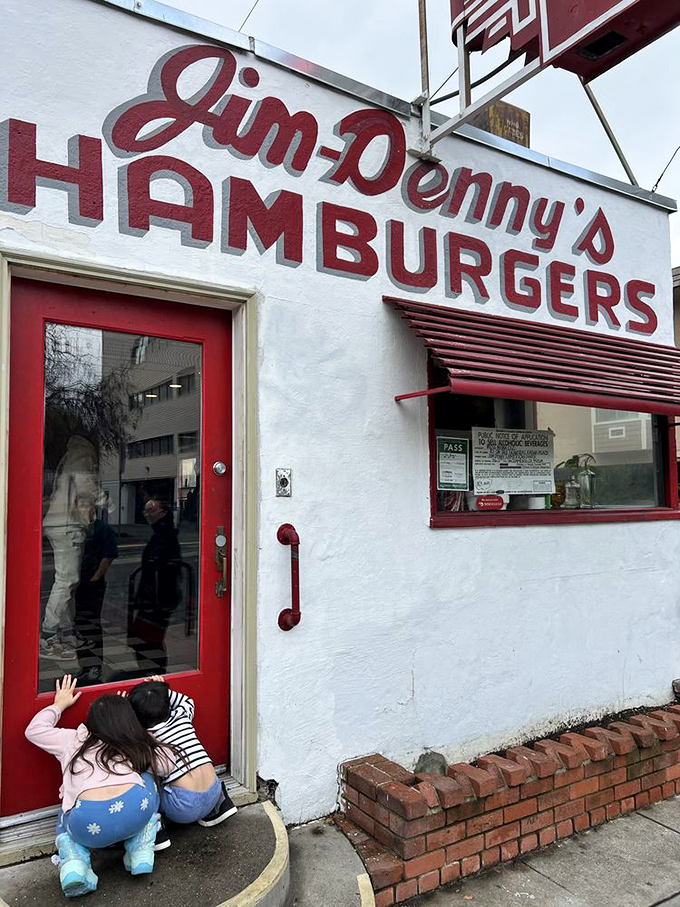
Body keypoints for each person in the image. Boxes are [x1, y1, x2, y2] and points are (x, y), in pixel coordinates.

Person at [25, 675, 175, 898]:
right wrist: (136, 729)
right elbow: (167, 764)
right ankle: (140, 848)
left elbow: (33, 730)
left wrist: (59, 705)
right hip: (137, 814)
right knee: (146, 777)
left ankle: (74, 861)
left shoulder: (71, 740)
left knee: (65, 813)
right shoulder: (132, 743)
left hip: (88, 826)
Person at [127, 676, 236, 845]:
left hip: (183, 808)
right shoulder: (181, 716)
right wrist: (163, 690)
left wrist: (123, 710)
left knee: (145, 773)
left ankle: (154, 828)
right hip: (214, 792)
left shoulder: (145, 737)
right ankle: (219, 806)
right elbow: (187, 701)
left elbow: (126, 738)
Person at [41, 437, 103, 661]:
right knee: (66, 580)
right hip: (67, 524)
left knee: (68, 581)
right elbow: (85, 484)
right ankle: (48, 635)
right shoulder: (82, 451)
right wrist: (106, 501)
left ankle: (65, 632)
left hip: (62, 522)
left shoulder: (71, 453)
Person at [128, 500, 182, 672]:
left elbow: (164, 568)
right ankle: (153, 671)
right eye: (145, 510)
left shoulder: (164, 534)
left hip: (157, 597)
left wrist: (153, 598)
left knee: (148, 637)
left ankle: (154, 672)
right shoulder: (163, 532)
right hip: (156, 595)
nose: (147, 514)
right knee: (148, 636)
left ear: (163, 511)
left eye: (151, 510)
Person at [74, 504, 118, 682]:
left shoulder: (101, 528)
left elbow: (108, 555)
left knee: (91, 625)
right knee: (79, 625)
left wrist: (95, 578)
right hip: (78, 584)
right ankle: (85, 666)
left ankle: (95, 667)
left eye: (85, 507)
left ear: (92, 509)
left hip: (92, 585)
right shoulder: (79, 528)